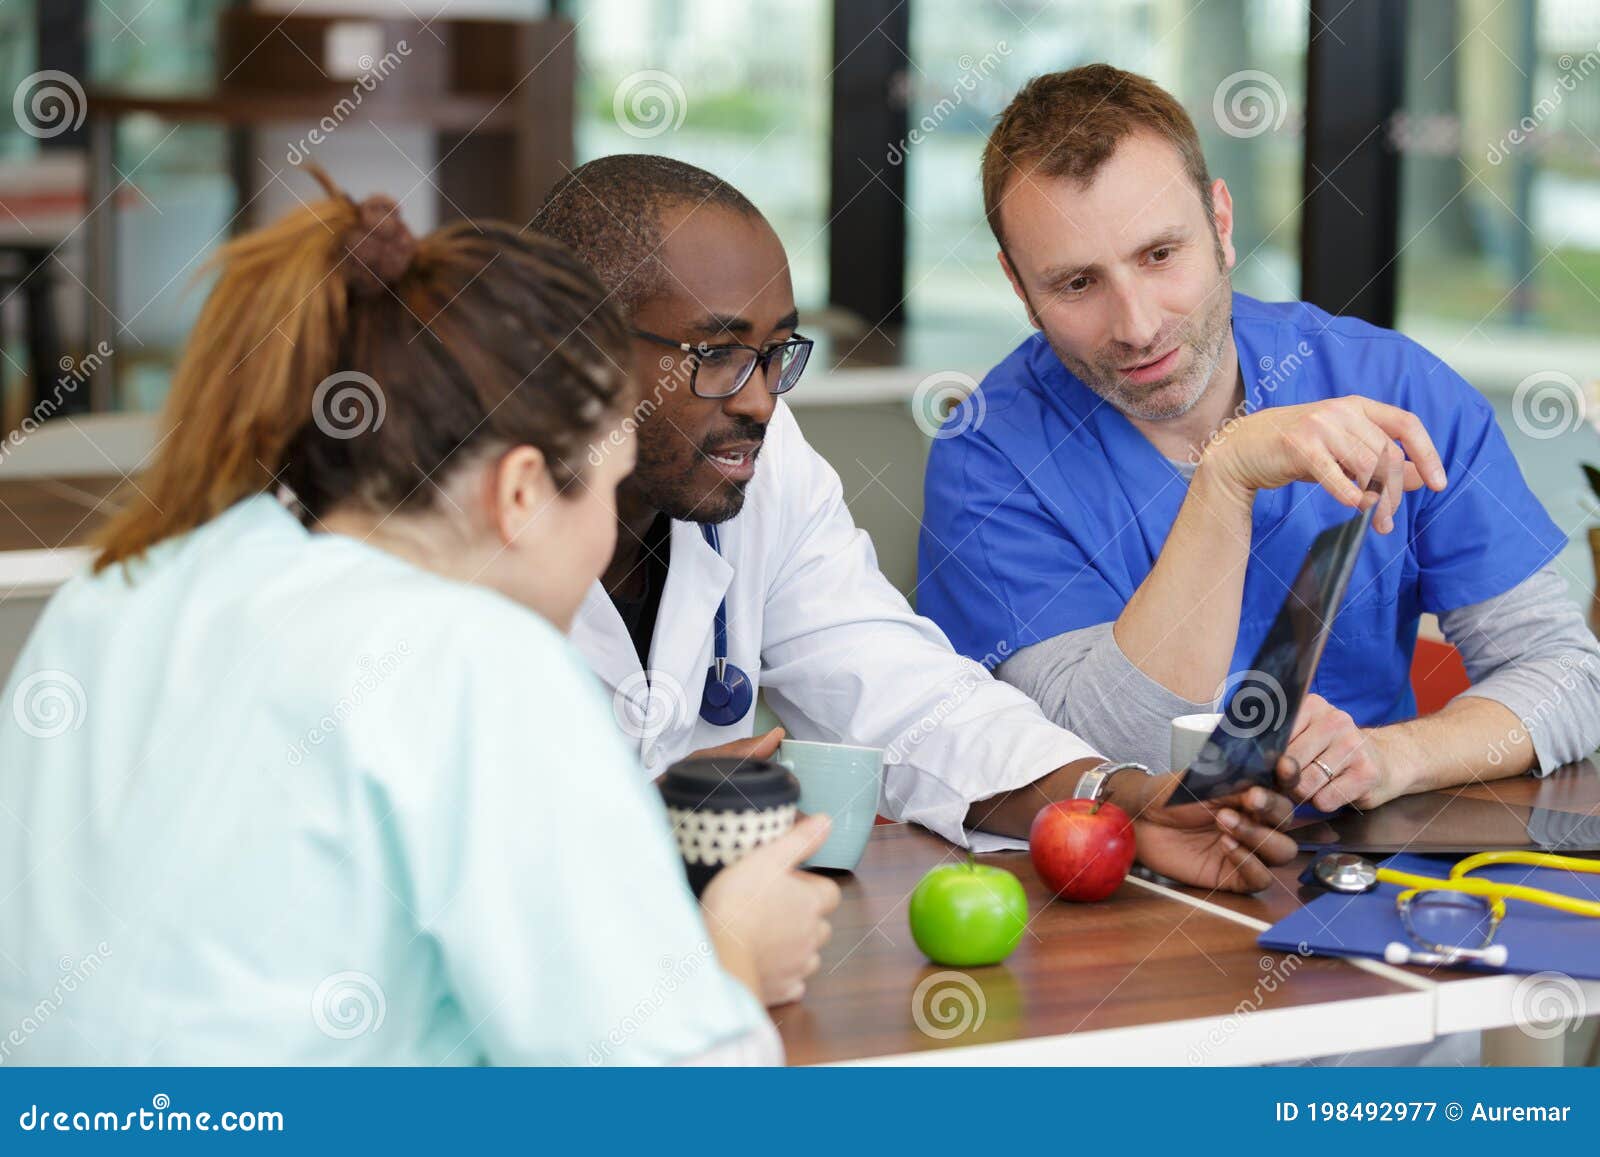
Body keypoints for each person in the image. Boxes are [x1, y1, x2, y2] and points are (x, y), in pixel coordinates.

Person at [0, 170, 837, 1065]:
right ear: (520, 490)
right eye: (607, 485)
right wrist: (735, 946)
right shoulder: (468, 658)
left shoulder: (121, 591)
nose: (610, 533)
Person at [531, 155, 1299, 891]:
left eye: (775, 353)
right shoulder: (445, 525)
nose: (761, 400)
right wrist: (628, 819)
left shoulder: (761, 464)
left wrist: (1113, 796)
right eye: (720, 353)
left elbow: (902, 695)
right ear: (572, 349)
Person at [917, 64, 1600, 813]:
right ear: (1019, 287)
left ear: (1221, 223)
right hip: (1123, 900)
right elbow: (1100, 759)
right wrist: (1227, 476)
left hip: (1369, 873)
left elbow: (1569, 677)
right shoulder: (988, 457)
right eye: (1077, 284)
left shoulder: (1395, 388)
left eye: (1160, 255)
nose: (1138, 325)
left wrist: (1392, 755)